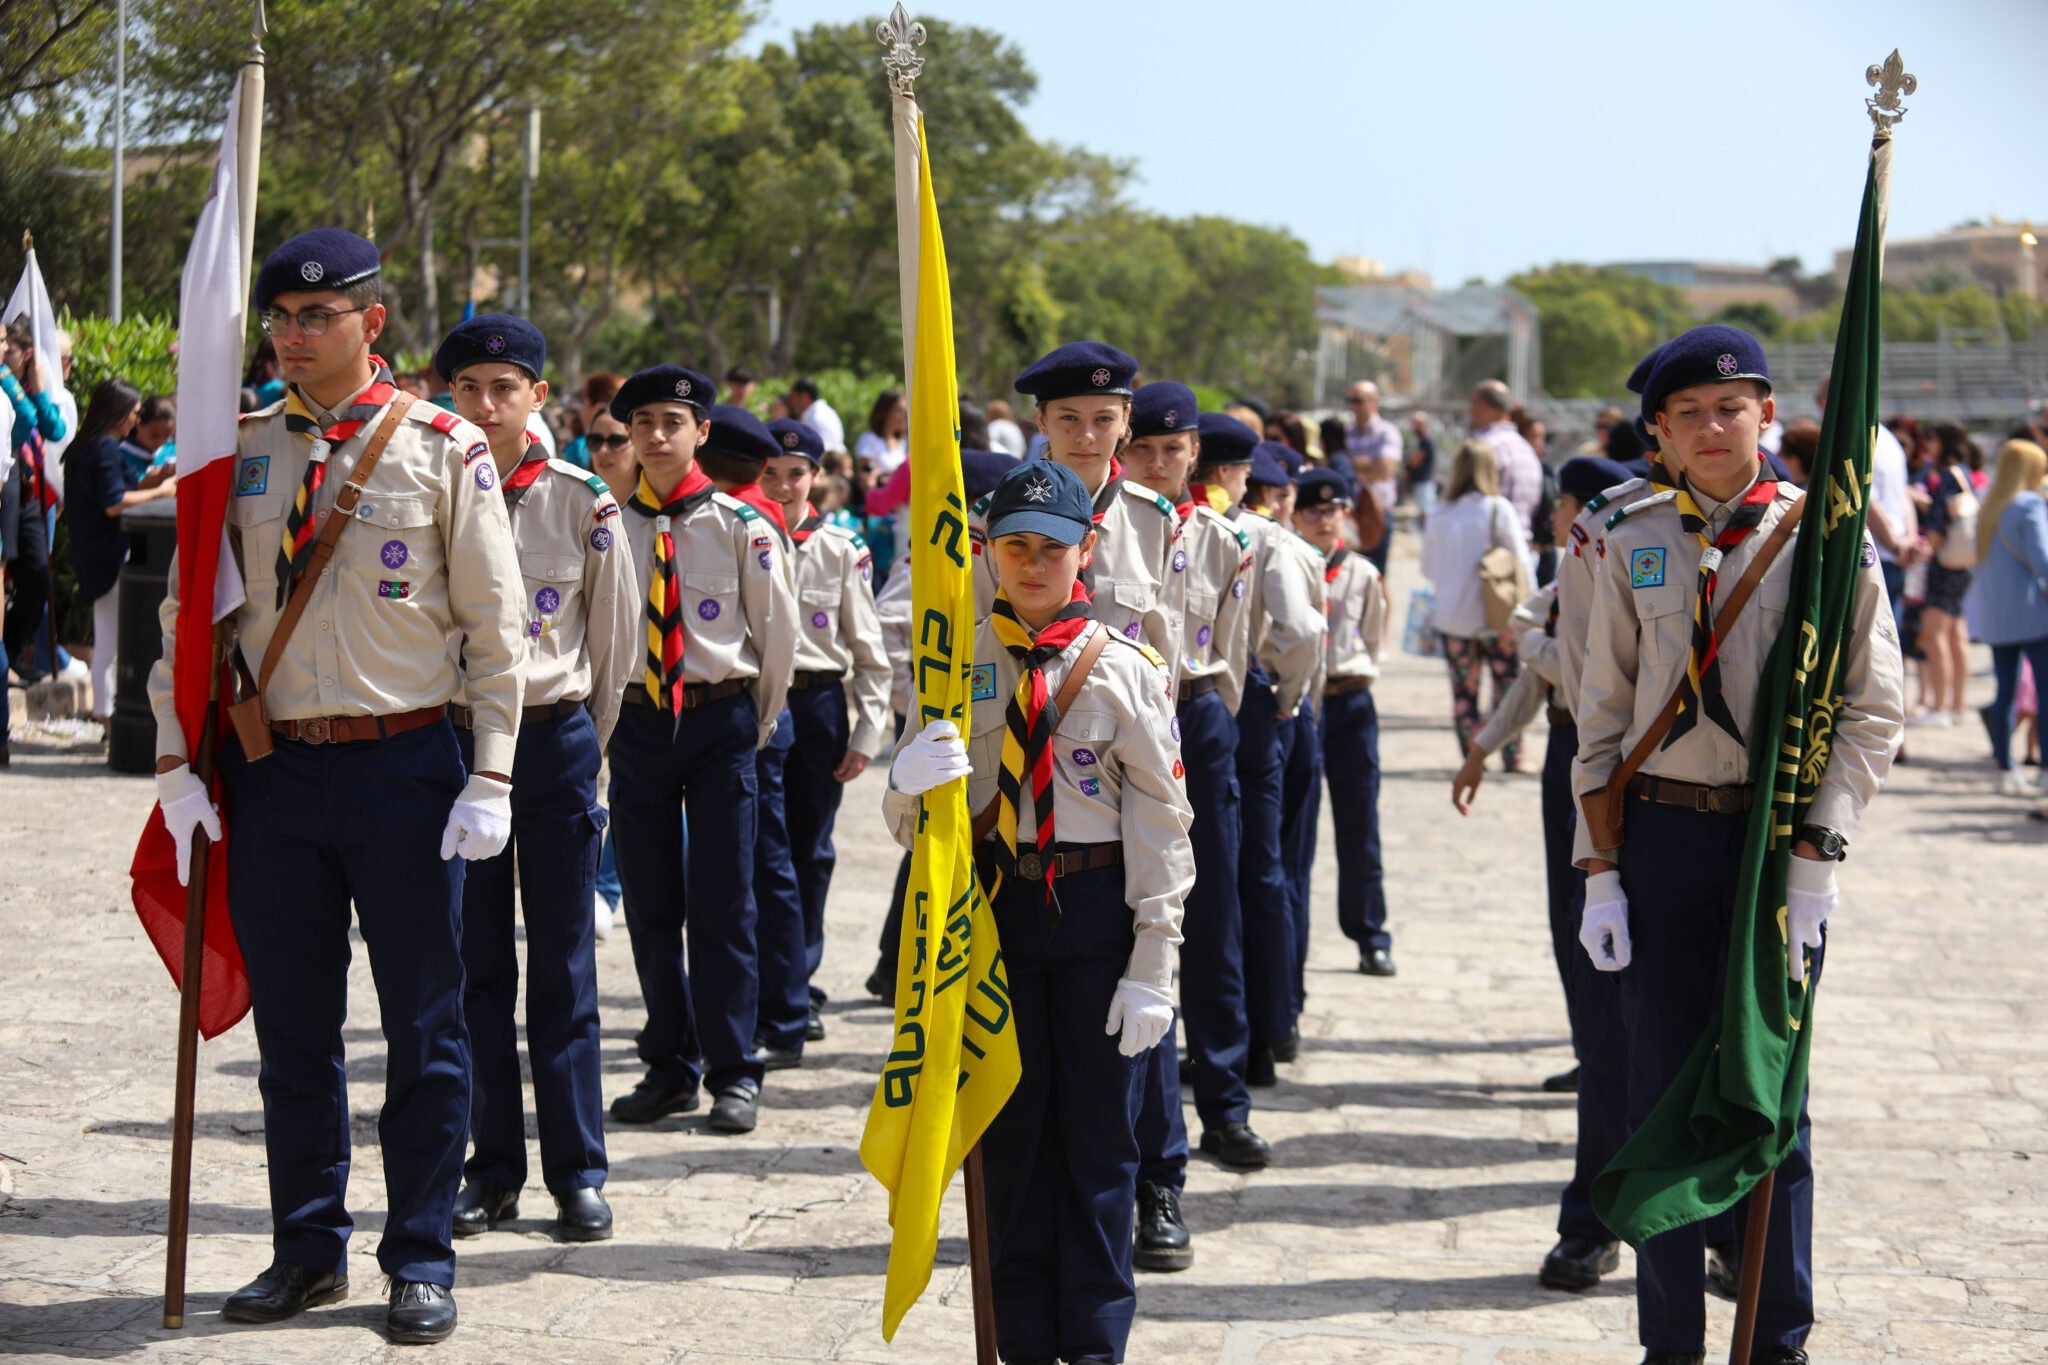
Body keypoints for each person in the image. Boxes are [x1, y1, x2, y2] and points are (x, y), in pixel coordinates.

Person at [146, 228, 529, 1344]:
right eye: (280, 318)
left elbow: (495, 624)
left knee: (425, 1024)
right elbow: (187, 615)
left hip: (403, 767)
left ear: (374, 322)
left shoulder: (443, 448)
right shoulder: (238, 451)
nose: (294, 335)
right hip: (272, 772)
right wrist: (174, 759)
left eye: (318, 316)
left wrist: (492, 772)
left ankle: (420, 1255)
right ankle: (306, 1248)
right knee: (295, 1033)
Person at [1573, 325, 1904, 1365]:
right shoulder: (1627, 537)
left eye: (1731, 406)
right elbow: (1599, 716)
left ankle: (1775, 1339)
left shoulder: (1826, 536)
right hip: (1661, 838)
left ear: (1766, 414)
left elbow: (1872, 708)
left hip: (1775, 851)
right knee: (1657, 1096)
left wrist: (1818, 854)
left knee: (1773, 1095)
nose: (1712, 427)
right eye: (1688, 414)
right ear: (1660, 434)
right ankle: (1668, 1341)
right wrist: (1599, 871)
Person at [885, 458, 1191, 1365]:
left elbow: (1164, 825)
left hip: (1096, 913)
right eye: (1014, 546)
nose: (1031, 564)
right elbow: (917, 825)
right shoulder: (953, 664)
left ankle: (1094, 1342)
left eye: (1051, 548)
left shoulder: (1126, 670)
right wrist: (904, 783)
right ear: (987, 549)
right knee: (1008, 1135)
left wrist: (1154, 963)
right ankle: (1019, 1338)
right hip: (993, 919)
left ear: (1084, 551)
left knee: (1099, 1145)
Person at [433, 315, 635, 1245]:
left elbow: (614, 649)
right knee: (474, 968)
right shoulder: (427, 485)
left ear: (537, 396)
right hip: (456, 746)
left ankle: (577, 1172)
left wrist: (584, 750)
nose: (485, 405)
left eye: (503, 388)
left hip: (554, 742)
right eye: (468, 388)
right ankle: (491, 1168)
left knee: (563, 966)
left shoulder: (582, 501)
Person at [1452, 455, 1635, 1292]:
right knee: (1579, 941)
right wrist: (1484, 746)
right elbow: (1540, 681)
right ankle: (1594, 1208)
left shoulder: (1631, 559)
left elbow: (1569, 662)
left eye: (1565, 505)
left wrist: (1531, 638)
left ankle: (1713, 1223)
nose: (1560, 518)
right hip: (1574, 754)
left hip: (1635, 770)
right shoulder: (1576, 575)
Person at [604, 365, 797, 1138]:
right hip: (638, 724)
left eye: (672, 422)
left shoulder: (741, 526)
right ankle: (668, 1063)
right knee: (650, 904)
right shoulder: (608, 527)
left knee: (724, 905)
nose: (656, 436)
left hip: (720, 723)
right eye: (642, 422)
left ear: (701, 432)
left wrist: (752, 727)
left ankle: (733, 1068)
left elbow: (777, 641)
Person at [1122, 383, 1264, 1280]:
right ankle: (1142, 1150)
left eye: (1172, 449)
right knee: (1138, 920)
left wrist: (1211, 719)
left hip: (1199, 711)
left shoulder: (1224, 538)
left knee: (1216, 919)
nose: (1158, 462)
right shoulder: (1103, 527)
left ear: (1193, 455)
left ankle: (1225, 1097)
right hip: (1118, 724)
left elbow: (1235, 644)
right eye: (1144, 447)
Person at [755, 416, 891, 1054]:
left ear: (818, 477)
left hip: (815, 708)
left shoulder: (840, 548)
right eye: (771, 474)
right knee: (756, 850)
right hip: (755, 704)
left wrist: (866, 732)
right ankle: (760, 981)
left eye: (795, 474)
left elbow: (867, 647)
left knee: (809, 850)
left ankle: (799, 982)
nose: (783, 487)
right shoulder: (738, 534)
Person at [968, 341, 1185, 663]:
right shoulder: (991, 518)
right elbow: (974, 635)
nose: (1086, 436)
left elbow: (1166, 650)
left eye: (1103, 419)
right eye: (1069, 417)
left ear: (1125, 420)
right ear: (1042, 420)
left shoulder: (1156, 522)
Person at [1233, 436, 1328, 1052]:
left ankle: (1268, 1020)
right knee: (1277, 870)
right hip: (1278, 705)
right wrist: (1292, 698)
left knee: (1253, 873)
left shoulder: (1250, 538)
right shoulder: (1281, 543)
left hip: (1255, 704)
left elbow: (1300, 631)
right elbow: (1304, 636)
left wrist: (1286, 698)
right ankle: (1279, 1015)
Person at [1292, 467, 1393, 977]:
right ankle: (1291, 942)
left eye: (1333, 510)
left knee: (1360, 825)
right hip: (1302, 703)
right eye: (1313, 510)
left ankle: (1370, 934)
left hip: (1350, 701)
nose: (1324, 520)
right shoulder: (1286, 565)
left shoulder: (1363, 573)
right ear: (1294, 515)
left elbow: (1373, 636)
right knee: (1297, 828)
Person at [64, 379, 176, 724]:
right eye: (134, 412)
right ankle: (107, 714)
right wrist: (161, 492)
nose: (136, 419)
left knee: (106, 640)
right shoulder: (105, 449)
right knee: (114, 643)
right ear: (118, 412)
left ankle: (103, 710)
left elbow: (111, 493)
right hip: (113, 556)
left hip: (94, 554)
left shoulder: (85, 446)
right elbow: (114, 503)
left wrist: (151, 483)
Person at [1422, 438, 1530, 770]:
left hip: (1453, 618)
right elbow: (1521, 563)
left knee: (1464, 693)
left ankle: (1472, 757)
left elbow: (1427, 567)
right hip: (1497, 616)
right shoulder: (1497, 508)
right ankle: (1512, 755)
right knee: (1507, 688)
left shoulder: (1439, 513)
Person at [1970, 440, 2048, 797]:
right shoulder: (2028, 504)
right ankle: (2044, 769)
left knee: (2005, 692)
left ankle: (2005, 767)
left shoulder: (1988, 505)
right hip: (2034, 613)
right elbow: (2042, 559)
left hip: (1997, 615)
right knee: (2044, 692)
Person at [1914, 423, 1978, 727]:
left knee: (1934, 635)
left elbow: (1940, 524)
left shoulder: (1946, 475)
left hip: (1944, 563)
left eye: (1931, 438)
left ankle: (1939, 707)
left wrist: (1927, 548)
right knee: (1956, 635)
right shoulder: (1964, 472)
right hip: (1963, 564)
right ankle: (1957, 706)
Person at [1471, 379, 1543, 538]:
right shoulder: (1526, 449)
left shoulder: (1481, 447)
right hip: (1522, 545)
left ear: (1482, 406)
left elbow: (1467, 506)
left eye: (1473, 405)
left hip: (1487, 546)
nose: (1470, 412)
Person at [1344, 381, 1402, 572]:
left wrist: (1353, 465)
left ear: (1373, 401)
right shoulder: (1346, 432)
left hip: (1377, 513)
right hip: (1350, 513)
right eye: (1350, 400)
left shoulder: (1387, 431)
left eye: (1358, 400)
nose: (1353, 406)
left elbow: (1384, 470)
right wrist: (1368, 464)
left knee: (1377, 574)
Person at [558, 372, 626, 472]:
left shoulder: (578, 448)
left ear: (599, 407)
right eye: (595, 441)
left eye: (616, 440)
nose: (603, 450)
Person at [119, 394, 177, 488]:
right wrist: (156, 478)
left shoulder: (174, 450)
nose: (161, 442)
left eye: (167, 436)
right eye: (155, 436)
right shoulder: (121, 456)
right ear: (139, 424)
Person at [854, 388, 908, 478]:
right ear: (885, 411)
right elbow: (865, 475)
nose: (904, 415)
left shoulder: (903, 443)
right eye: (899, 410)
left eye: (905, 411)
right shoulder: (869, 439)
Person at [787, 376, 845, 454]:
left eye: (793, 397)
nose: (790, 402)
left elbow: (821, 452)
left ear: (804, 397)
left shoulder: (816, 418)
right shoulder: (822, 412)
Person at [1405, 411, 1439, 524]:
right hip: (1422, 482)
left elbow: (1415, 461)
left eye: (1416, 424)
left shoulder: (1426, 440)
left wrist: (1408, 466)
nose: (1414, 427)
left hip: (1424, 482)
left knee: (1426, 513)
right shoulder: (1423, 440)